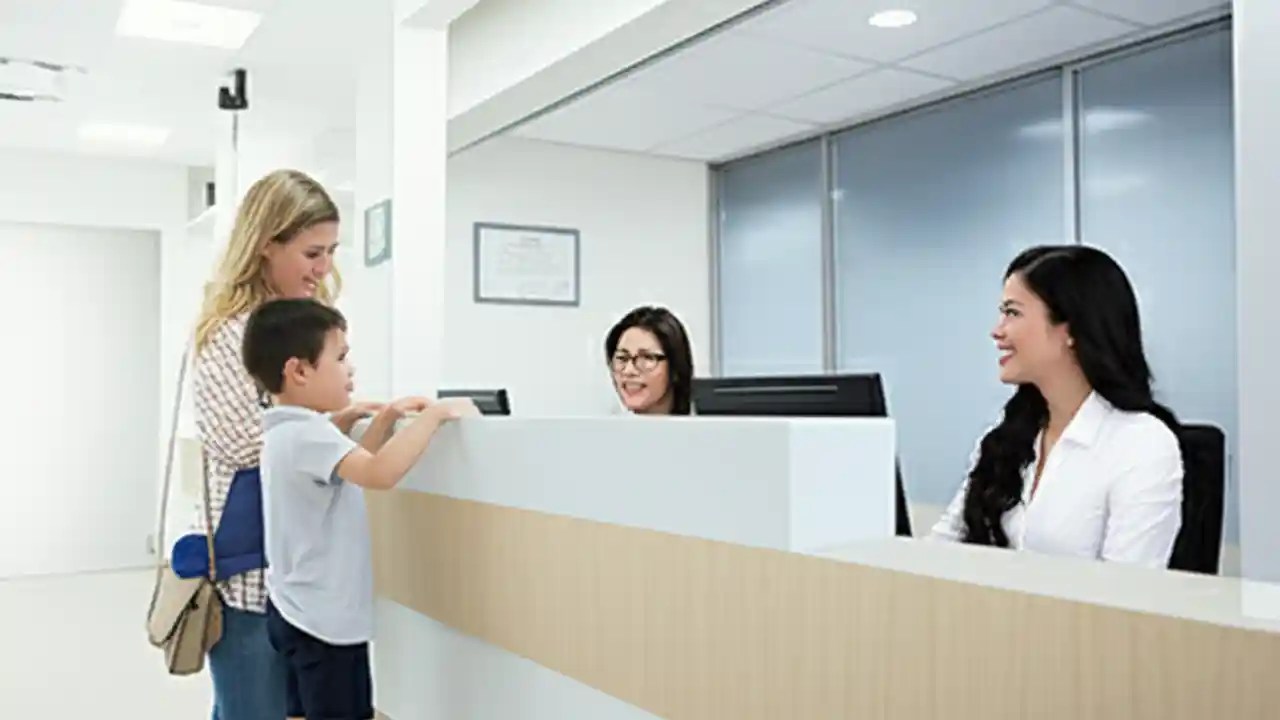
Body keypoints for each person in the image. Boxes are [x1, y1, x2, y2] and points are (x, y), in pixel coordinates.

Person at [192, 169, 376, 719]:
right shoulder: (229, 333)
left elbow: (302, 419)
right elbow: (243, 442)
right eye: (312, 253)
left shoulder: (298, 326)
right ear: (267, 243)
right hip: (251, 571)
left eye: (330, 253)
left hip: (301, 579)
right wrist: (328, 420)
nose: (324, 270)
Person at [242, 298, 477, 720]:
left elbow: (344, 470)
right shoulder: (308, 435)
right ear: (299, 371)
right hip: (323, 622)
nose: (350, 369)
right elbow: (379, 473)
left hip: (293, 608)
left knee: (302, 710)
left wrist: (383, 421)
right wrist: (435, 416)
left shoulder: (286, 433)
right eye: (341, 357)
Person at [930, 245, 1184, 568]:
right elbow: (942, 547)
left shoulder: (1142, 445)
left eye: (1012, 312)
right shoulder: (1009, 434)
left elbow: (1125, 599)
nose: (998, 331)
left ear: (1070, 330)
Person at [604, 305, 695, 415]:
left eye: (647, 358)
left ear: (675, 367)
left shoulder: (703, 430)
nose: (628, 371)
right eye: (622, 358)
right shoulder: (606, 431)